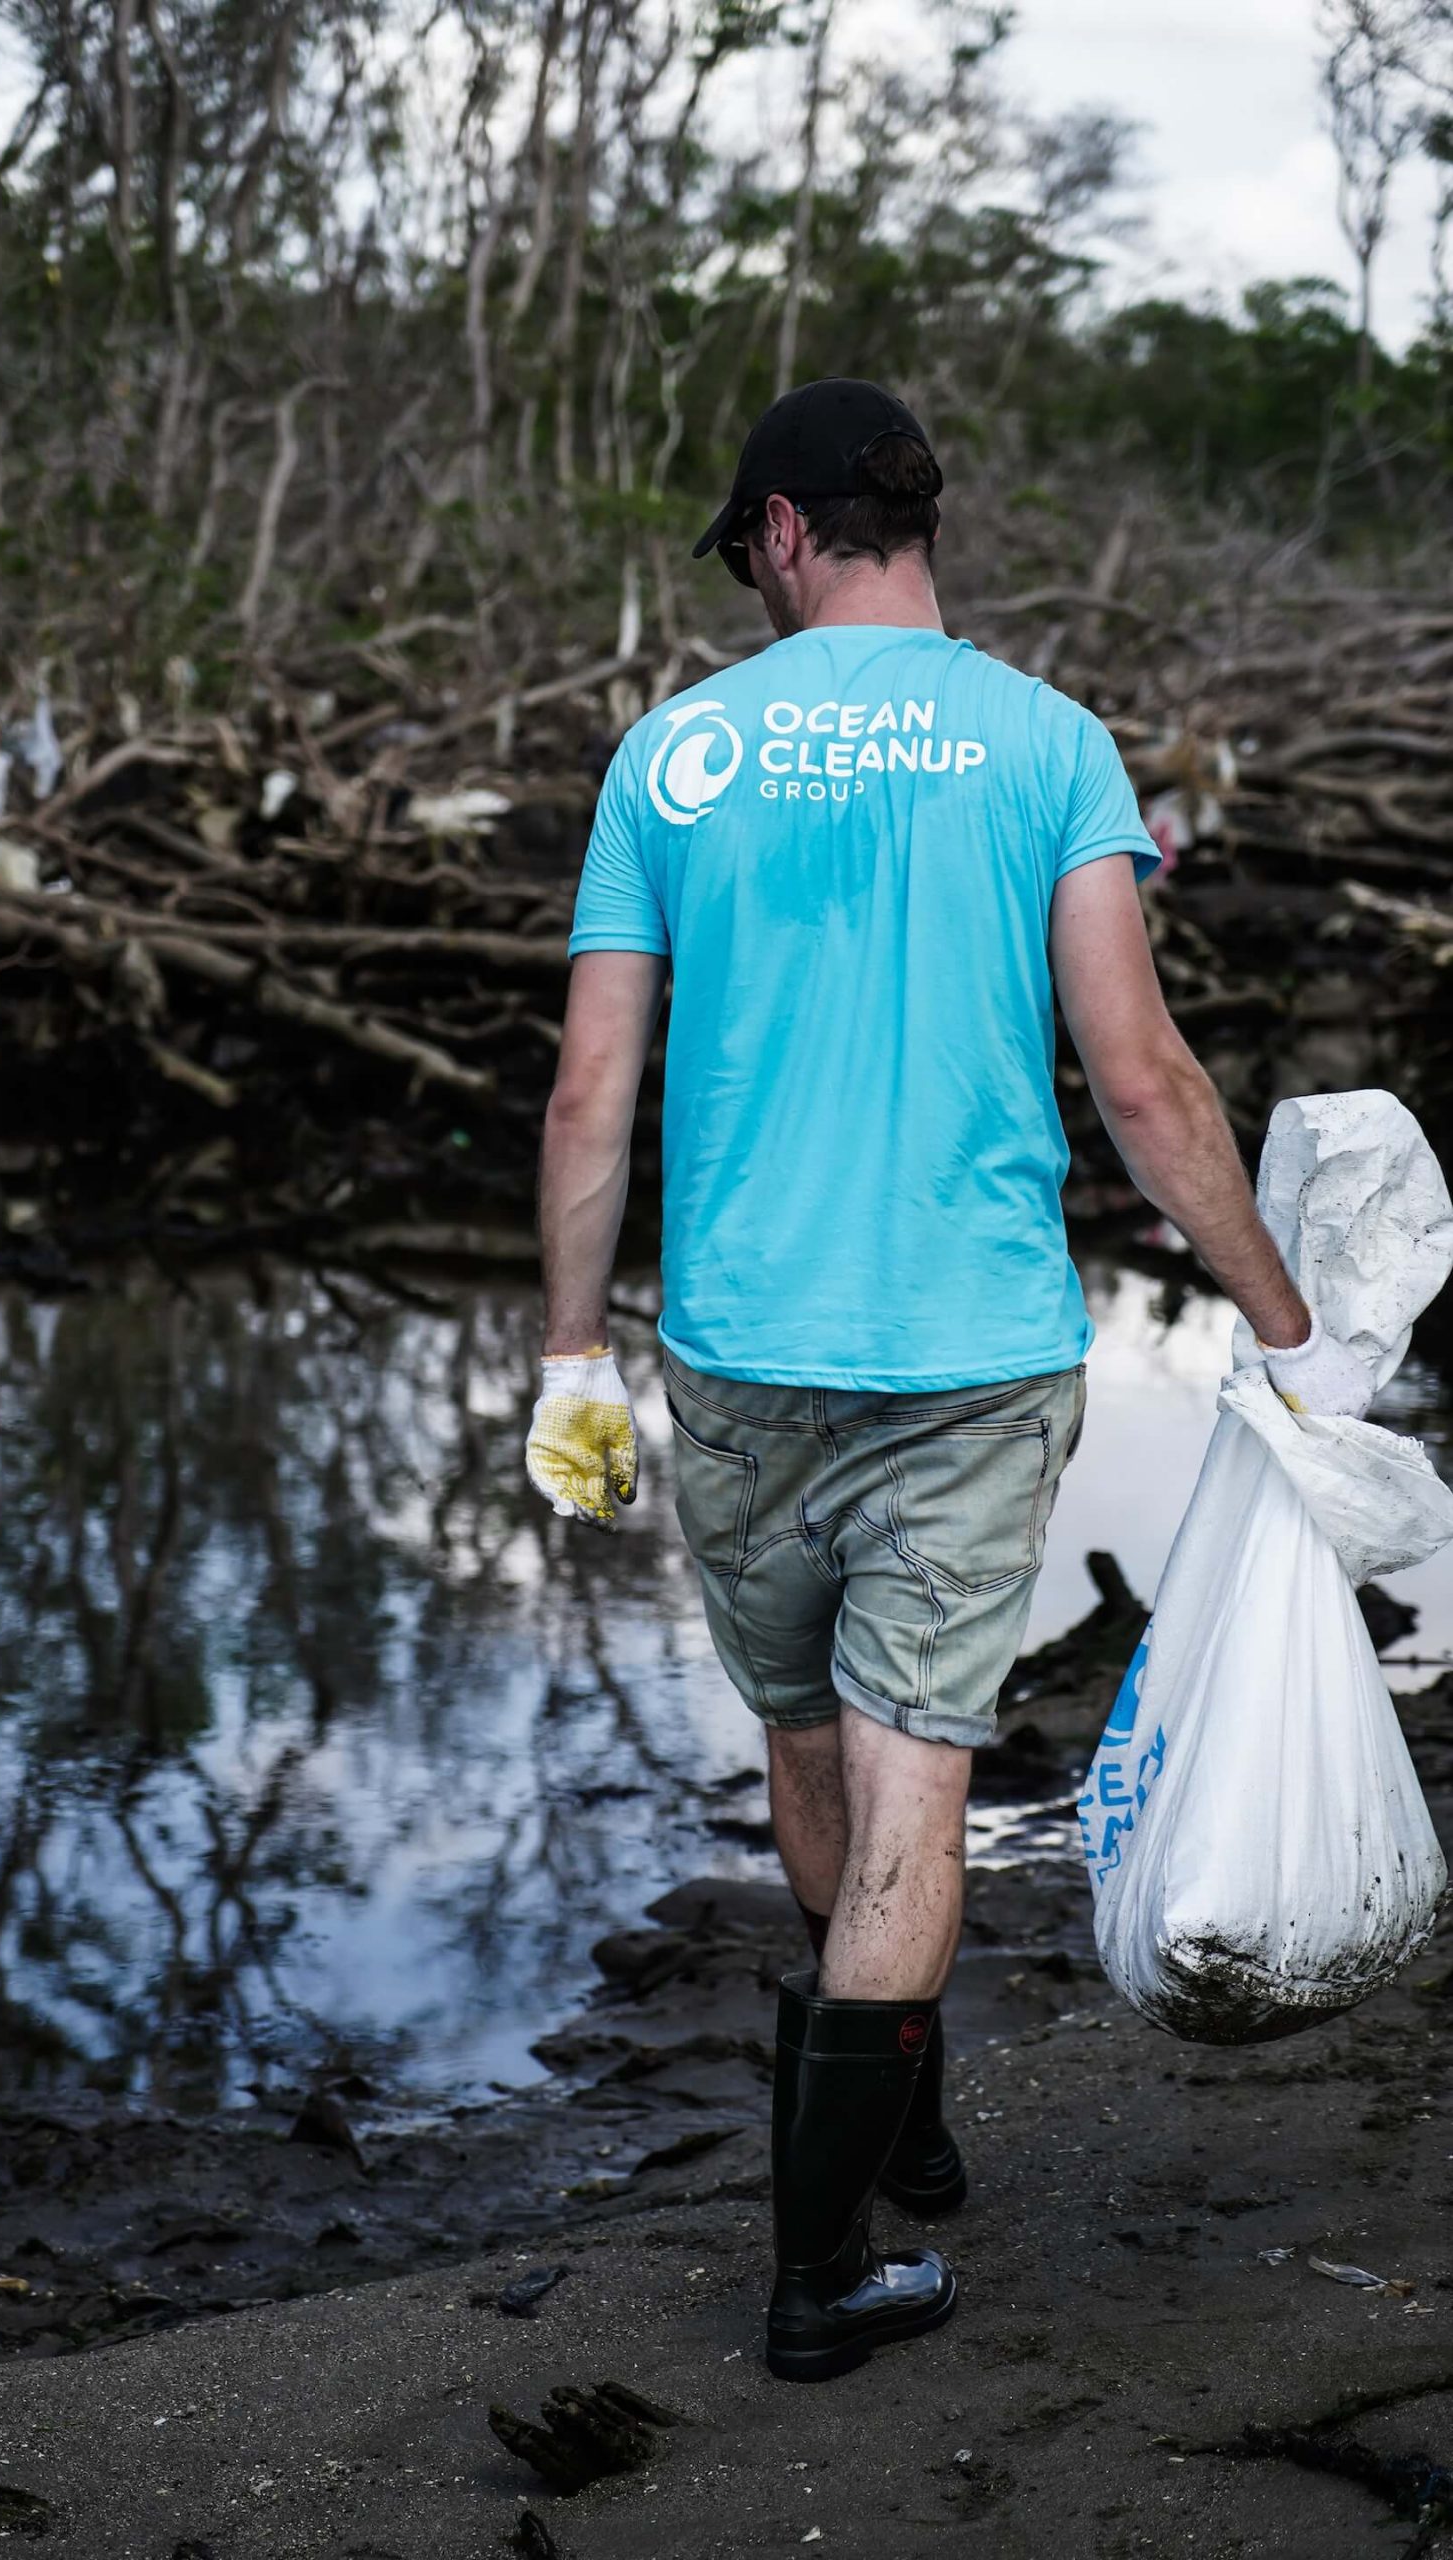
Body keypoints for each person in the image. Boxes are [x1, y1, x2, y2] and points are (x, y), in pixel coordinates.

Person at [524, 377, 1373, 2386]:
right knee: (915, 1778)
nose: (746, 583)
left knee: (809, 1750)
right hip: (976, 1356)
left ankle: (881, 2142)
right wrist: (1274, 1314)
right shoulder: (1046, 746)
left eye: (742, 551)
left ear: (790, 532)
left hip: (735, 1353)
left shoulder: (671, 755)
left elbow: (587, 1089)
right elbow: (1144, 1082)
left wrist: (567, 1345)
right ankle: (832, 2235)